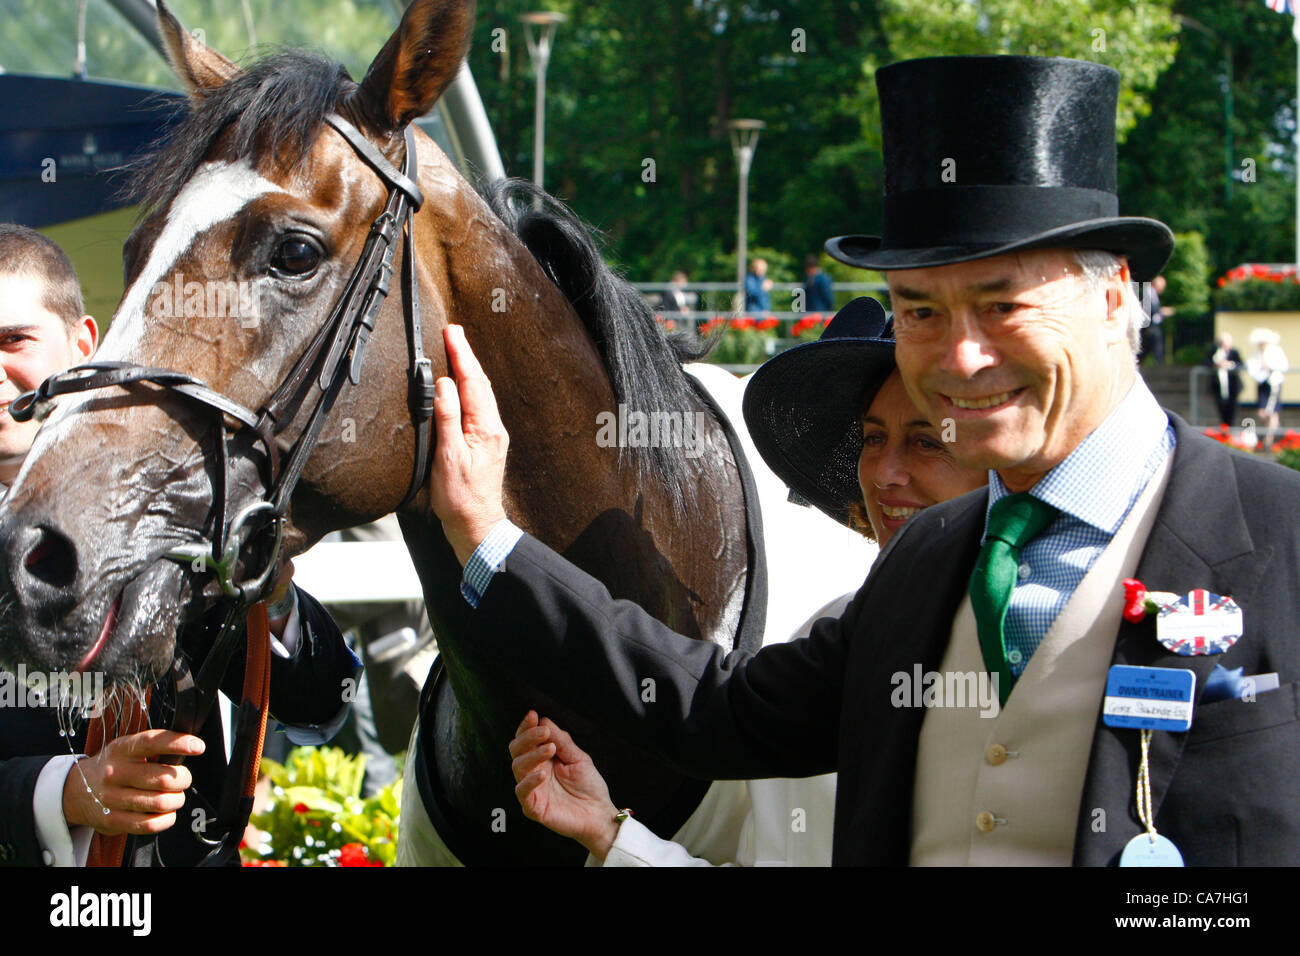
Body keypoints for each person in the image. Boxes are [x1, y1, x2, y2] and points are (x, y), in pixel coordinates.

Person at [429, 56, 1300, 866]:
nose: (958, 358)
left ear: (1114, 298)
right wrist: (490, 540)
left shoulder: (1282, 542)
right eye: (920, 311)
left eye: (1002, 306)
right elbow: (716, 708)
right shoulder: (924, 562)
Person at [509, 298, 987, 865]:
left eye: (928, 442)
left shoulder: (1033, 639)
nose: (883, 473)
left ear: (1002, 466)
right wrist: (608, 831)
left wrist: (493, 546)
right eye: (873, 438)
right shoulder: (829, 633)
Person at [0, 225, 359, 867]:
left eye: (13, 340)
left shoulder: (172, 504)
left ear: (83, 344)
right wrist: (62, 793)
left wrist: (273, 596)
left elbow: (320, 704)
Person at [1247, 327, 1288, 449]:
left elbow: (1284, 365)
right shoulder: (1256, 354)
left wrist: (1270, 366)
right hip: (1262, 382)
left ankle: (1269, 438)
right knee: (1262, 411)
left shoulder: (1276, 351)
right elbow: (1252, 368)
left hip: (1274, 383)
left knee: (1272, 411)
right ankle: (1273, 427)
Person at [1206, 332, 1243, 428]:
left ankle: (1230, 429)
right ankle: (1224, 429)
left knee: (1232, 409)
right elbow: (1206, 362)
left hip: (1232, 386)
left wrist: (1230, 364)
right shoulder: (1214, 351)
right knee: (1221, 407)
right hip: (1218, 385)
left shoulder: (1234, 352)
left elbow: (1240, 364)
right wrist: (1216, 365)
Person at [1138, 275, 1168, 365]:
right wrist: (1161, 313)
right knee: (1156, 346)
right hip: (1149, 328)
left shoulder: (1152, 294)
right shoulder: (1148, 293)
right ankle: (1159, 365)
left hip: (1150, 328)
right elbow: (1147, 311)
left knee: (1145, 349)